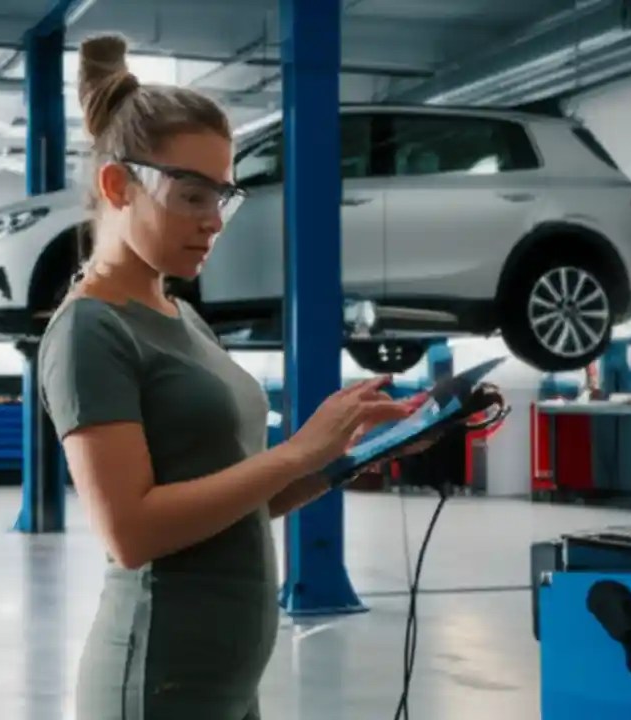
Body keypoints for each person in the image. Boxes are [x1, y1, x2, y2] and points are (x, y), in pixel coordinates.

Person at [39, 35, 426, 718]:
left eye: (224, 196)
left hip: (222, 682)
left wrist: (340, 456)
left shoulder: (180, 315)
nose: (214, 221)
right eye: (191, 195)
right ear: (116, 185)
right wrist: (294, 452)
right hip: (158, 681)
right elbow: (130, 531)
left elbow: (233, 506)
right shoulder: (90, 329)